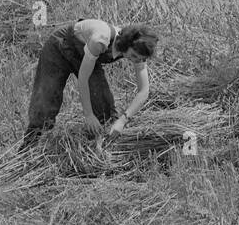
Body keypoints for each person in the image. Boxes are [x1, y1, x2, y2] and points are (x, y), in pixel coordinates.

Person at [21, 19, 157, 149]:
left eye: (139, 59)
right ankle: (29, 148)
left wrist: (122, 120)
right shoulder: (101, 39)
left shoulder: (138, 52)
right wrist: (88, 115)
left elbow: (143, 91)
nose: (135, 61)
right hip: (60, 47)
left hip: (87, 58)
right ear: (127, 44)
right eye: (133, 56)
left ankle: (100, 150)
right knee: (45, 102)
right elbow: (83, 78)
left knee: (104, 109)